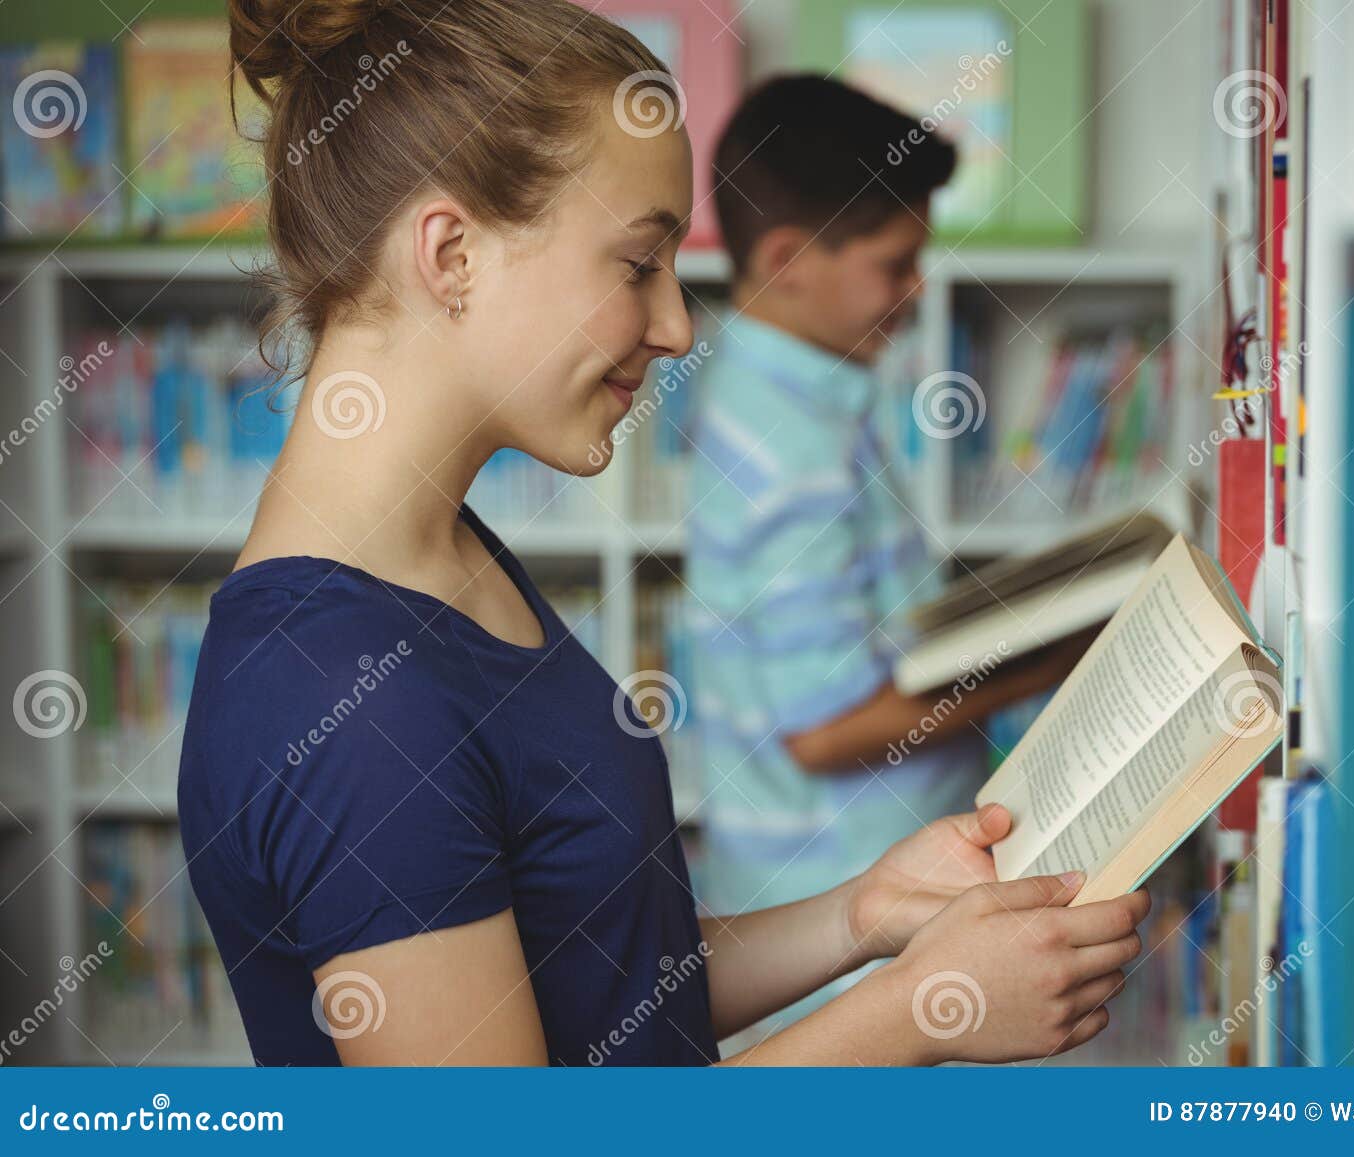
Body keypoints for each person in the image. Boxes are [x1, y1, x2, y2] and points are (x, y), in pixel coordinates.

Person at [178, 0, 1148, 1067]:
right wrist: (916, 1010)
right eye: (638, 264)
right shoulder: (338, 690)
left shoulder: (450, 562)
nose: (681, 326)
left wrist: (862, 915)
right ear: (450, 254)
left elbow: (601, 979)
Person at [685, 77, 1096, 984]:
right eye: (894, 262)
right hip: (851, 919)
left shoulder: (810, 399)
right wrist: (1049, 656)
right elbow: (825, 730)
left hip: (873, 887)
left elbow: (857, 635)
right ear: (789, 258)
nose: (916, 290)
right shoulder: (787, 450)